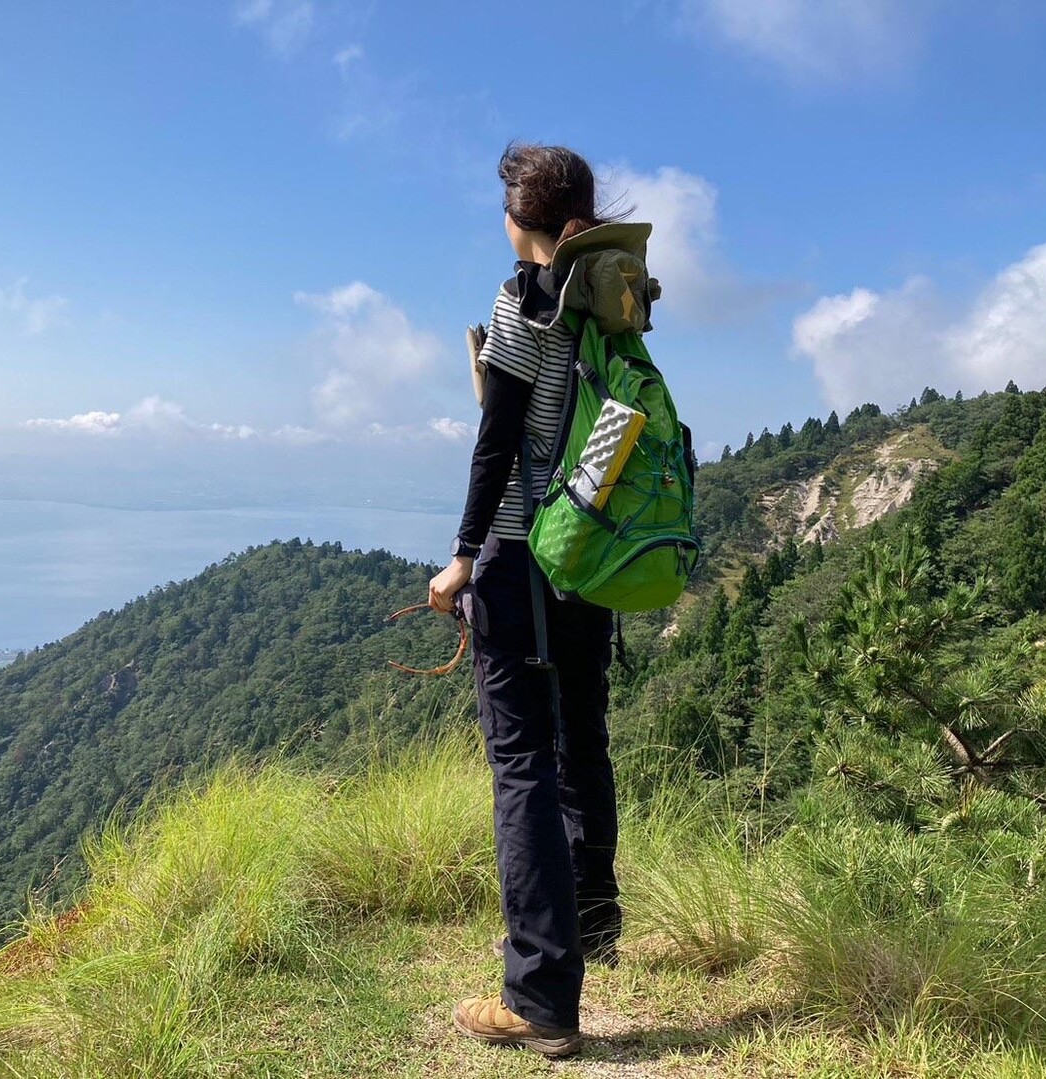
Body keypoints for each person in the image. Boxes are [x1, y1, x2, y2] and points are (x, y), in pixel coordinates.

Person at [428, 142, 624, 1058]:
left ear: (521, 219)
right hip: (594, 547)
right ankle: (590, 922)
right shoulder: (617, 294)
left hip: (525, 554)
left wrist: (464, 555)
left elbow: (496, 441)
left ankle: (541, 994)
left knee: (521, 762)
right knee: (581, 734)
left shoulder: (523, 304)